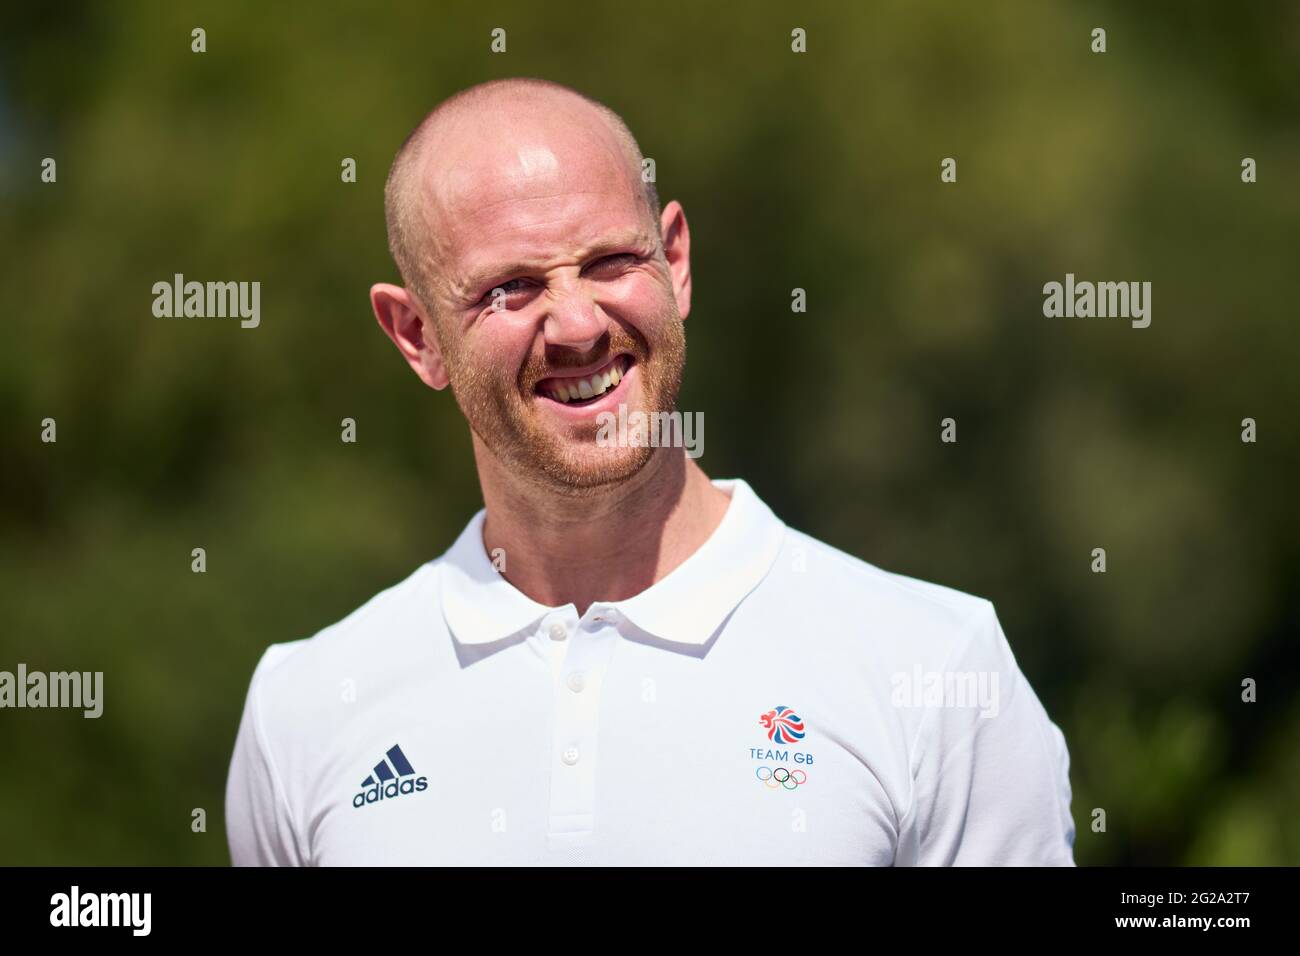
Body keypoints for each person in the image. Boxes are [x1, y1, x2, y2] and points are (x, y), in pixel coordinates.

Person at [225, 76, 1076, 865]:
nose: (577, 325)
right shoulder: (304, 710)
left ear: (675, 260)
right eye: (510, 290)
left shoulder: (938, 673)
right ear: (416, 336)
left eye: (609, 263)